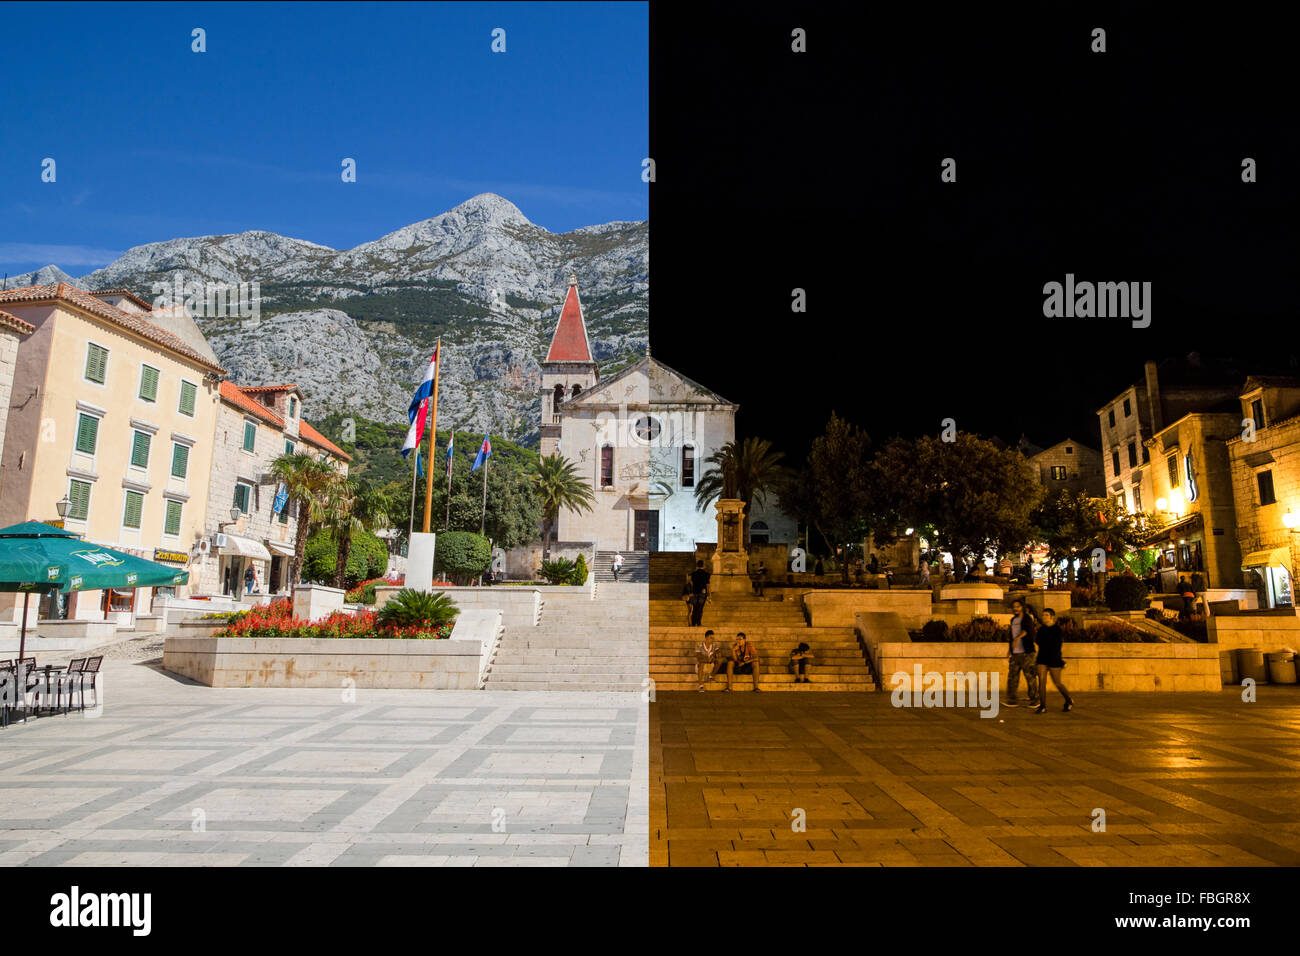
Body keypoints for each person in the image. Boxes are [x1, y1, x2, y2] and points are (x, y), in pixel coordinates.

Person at [1033, 608, 1073, 713]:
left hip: (1054, 659)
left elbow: (1057, 646)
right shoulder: (1041, 629)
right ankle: (1042, 706)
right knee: (1041, 683)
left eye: (1046, 615)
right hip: (1042, 658)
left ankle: (1069, 700)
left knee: (1057, 683)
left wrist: (1059, 661)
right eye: (1043, 615)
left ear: (1051, 617)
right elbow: (1038, 641)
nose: (1043, 617)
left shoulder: (1057, 629)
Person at [1005, 598, 1039, 707]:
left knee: (1030, 677)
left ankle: (1035, 700)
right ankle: (1012, 700)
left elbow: (1026, 631)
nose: (1015, 608)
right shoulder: (1013, 620)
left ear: (1022, 607)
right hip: (1015, 653)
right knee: (1012, 677)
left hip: (1027, 653)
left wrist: (1017, 639)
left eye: (1018, 606)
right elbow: (1012, 636)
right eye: (1014, 606)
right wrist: (1010, 649)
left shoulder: (1027, 618)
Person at [689, 560, 711, 627]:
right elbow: (708, 585)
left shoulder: (693, 574)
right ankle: (698, 623)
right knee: (700, 608)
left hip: (695, 593)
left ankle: (693, 623)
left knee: (695, 608)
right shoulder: (706, 574)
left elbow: (691, 583)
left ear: (697, 565)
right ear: (703, 566)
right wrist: (709, 594)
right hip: (702, 593)